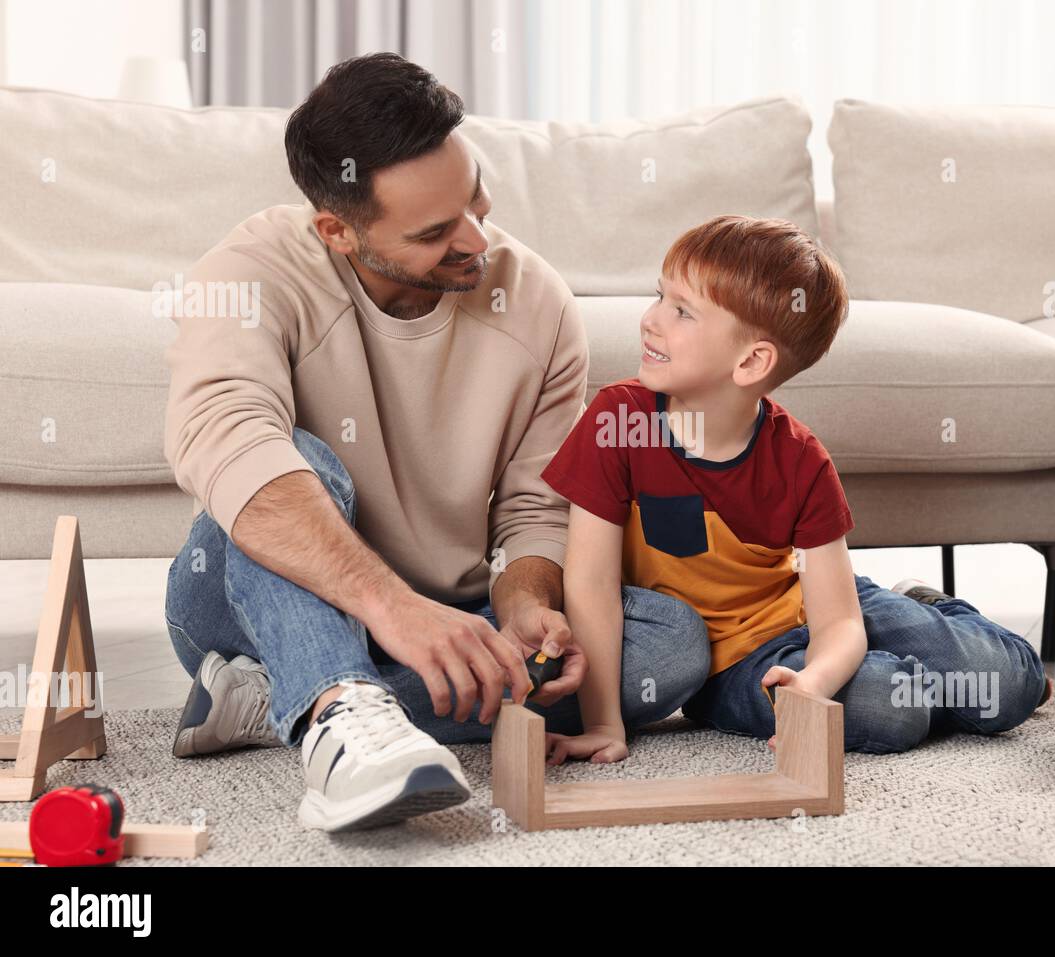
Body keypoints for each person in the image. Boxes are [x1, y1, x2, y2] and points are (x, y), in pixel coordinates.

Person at [161, 53, 708, 833]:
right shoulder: (249, 274)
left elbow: (535, 506)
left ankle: (279, 696)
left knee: (671, 647)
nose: (476, 239)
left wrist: (521, 603)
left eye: (476, 201)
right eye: (435, 231)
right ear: (338, 232)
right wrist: (392, 607)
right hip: (238, 599)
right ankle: (338, 715)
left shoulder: (537, 300)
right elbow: (231, 444)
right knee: (294, 462)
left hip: (449, 605)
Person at [539, 215, 1049, 764]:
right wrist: (603, 723)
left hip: (815, 603)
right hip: (731, 665)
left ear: (752, 361)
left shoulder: (802, 460)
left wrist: (819, 678)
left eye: (681, 311)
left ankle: (930, 608)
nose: (650, 320)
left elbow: (839, 620)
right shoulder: (619, 419)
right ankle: (904, 676)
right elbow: (589, 585)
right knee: (891, 708)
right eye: (660, 296)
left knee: (1009, 686)